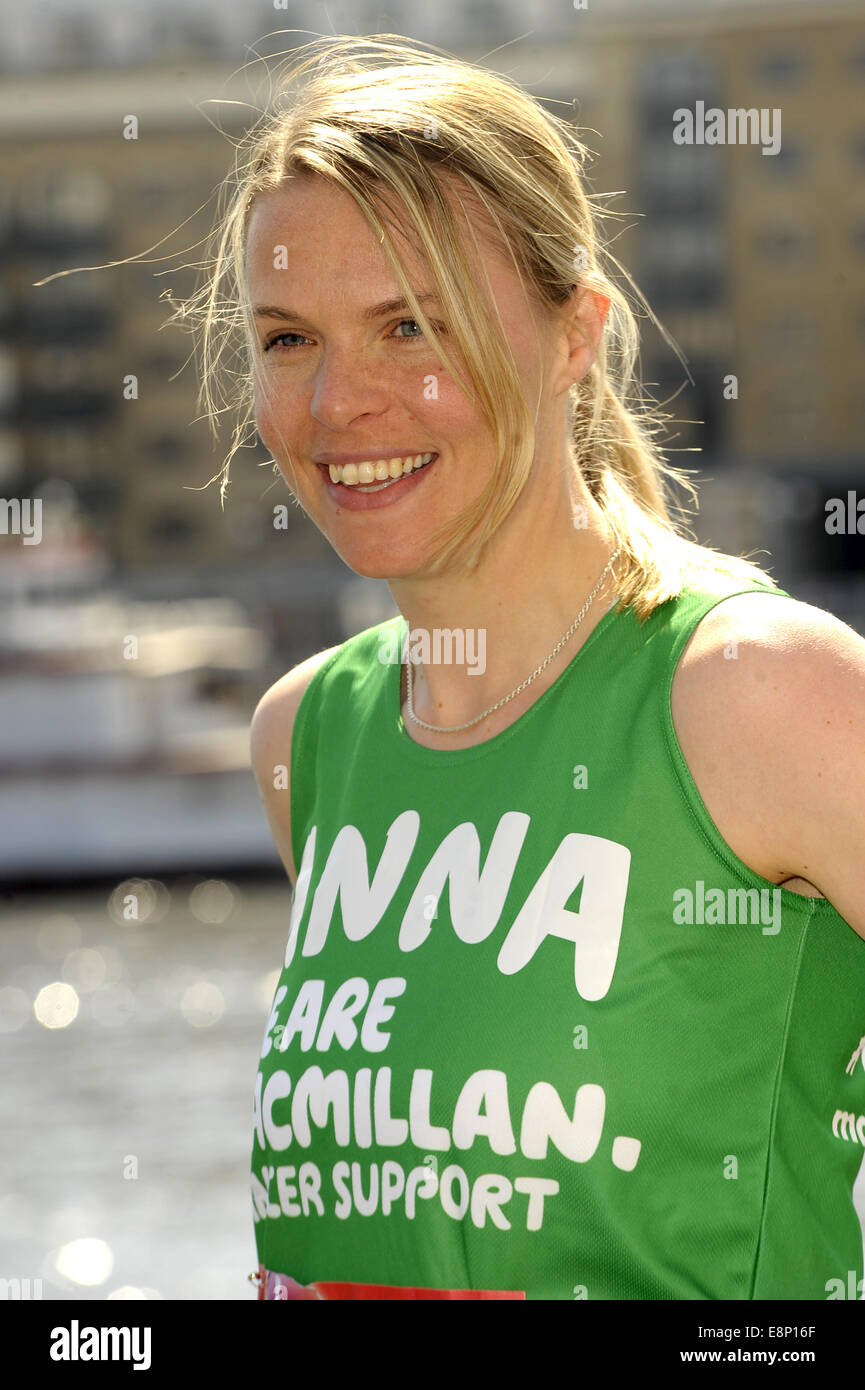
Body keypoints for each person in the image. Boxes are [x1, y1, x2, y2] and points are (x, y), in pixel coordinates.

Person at [186, 35, 865, 1299]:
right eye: (287, 340)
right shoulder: (310, 735)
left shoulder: (758, 692)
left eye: (409, 324)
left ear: (575, 334)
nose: (340, 401)